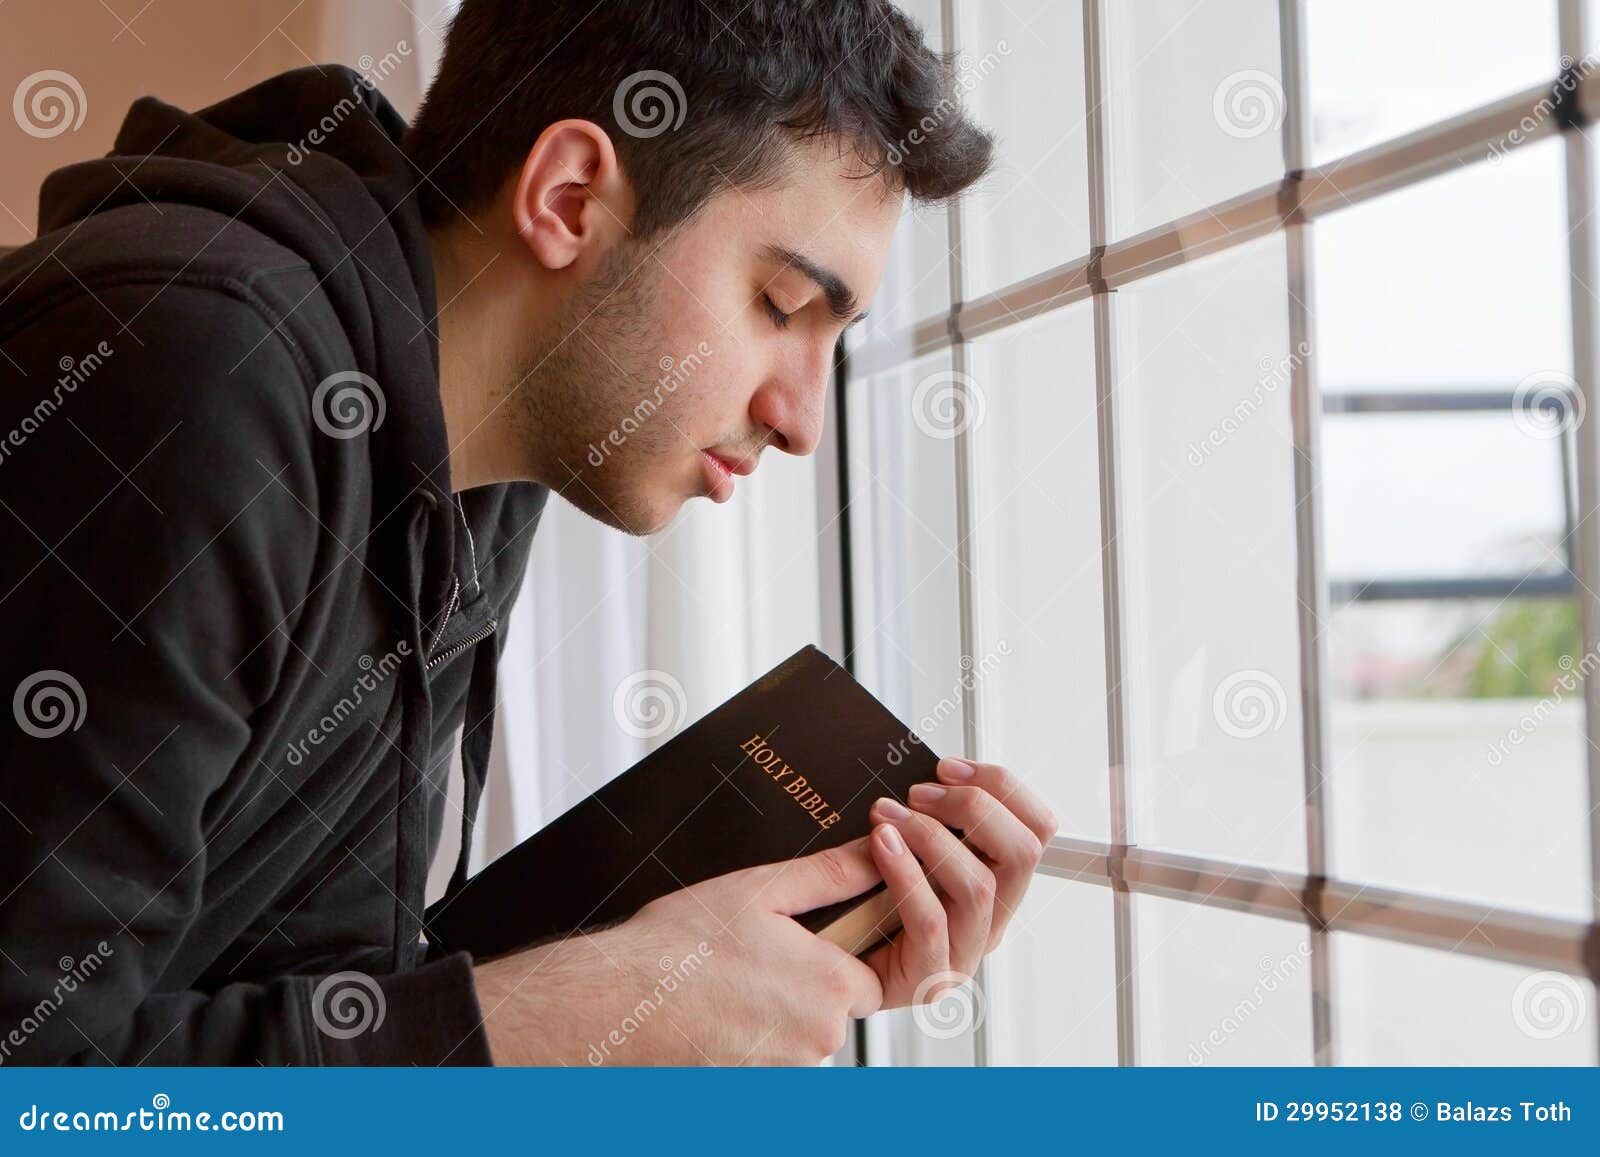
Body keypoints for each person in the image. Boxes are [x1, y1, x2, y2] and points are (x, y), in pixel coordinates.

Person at [0, 0, 1056, 1066]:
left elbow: (289, 983)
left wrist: (720, 969)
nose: (800, 422)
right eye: (779, 303)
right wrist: (569, 1012)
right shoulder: (197, 381)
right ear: (568, 197)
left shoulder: (475, 458)